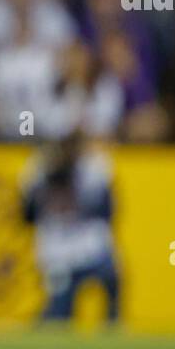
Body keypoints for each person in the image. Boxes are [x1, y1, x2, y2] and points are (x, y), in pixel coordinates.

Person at [21, 133, 119, 323]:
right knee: (60, 314)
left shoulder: (94, 169)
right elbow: (27, 216)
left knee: (111, 279)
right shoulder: (38, 169)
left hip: (90, 246)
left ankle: (112, 329)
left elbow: (108, 212)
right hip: (57, 251)